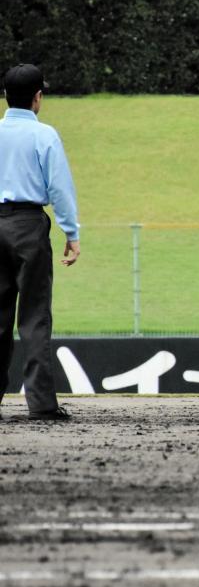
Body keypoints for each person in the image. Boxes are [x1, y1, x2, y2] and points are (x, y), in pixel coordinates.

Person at [0, 64, 80, 420]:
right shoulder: (44, 135)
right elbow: (59, 188)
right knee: (33, 317)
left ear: (5, 96)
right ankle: (41, 404)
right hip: (29, 226)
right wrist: (71, 232)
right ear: (38, 97)